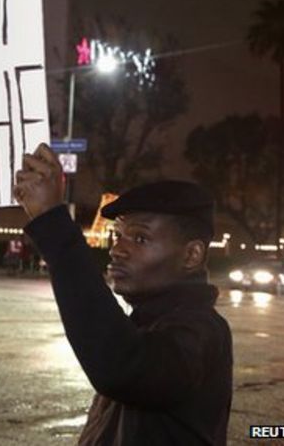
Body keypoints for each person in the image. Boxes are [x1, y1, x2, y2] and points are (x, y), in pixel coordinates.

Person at [14, 143, 232, 445]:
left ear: (191, 255)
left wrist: (52, 221)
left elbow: (124, 367)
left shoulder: (201, 330)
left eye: (140, 238)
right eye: (119, 236)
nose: (117, 249)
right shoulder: (146, 323)